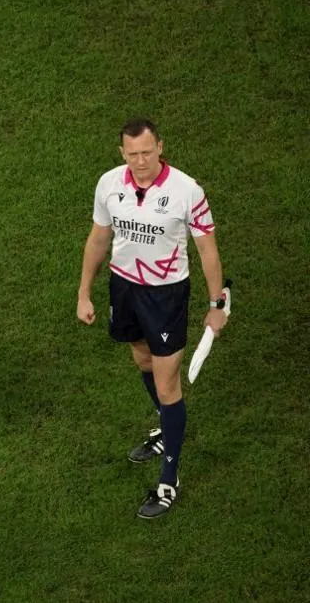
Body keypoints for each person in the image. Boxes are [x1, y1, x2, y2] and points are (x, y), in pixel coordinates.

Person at [77, 119, 227, 518]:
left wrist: (218, 303)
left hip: (165, 295)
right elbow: (98, 238)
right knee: (141, 359)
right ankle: (167, 427)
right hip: (124, 288)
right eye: (133, 154)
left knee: (167, 382)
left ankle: (168, 480)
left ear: (160, 146)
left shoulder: (186, 191)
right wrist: (83, 291)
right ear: (122, 153)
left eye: (147, 152)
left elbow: (207, 250)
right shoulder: (109, 184)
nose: (141, 161)